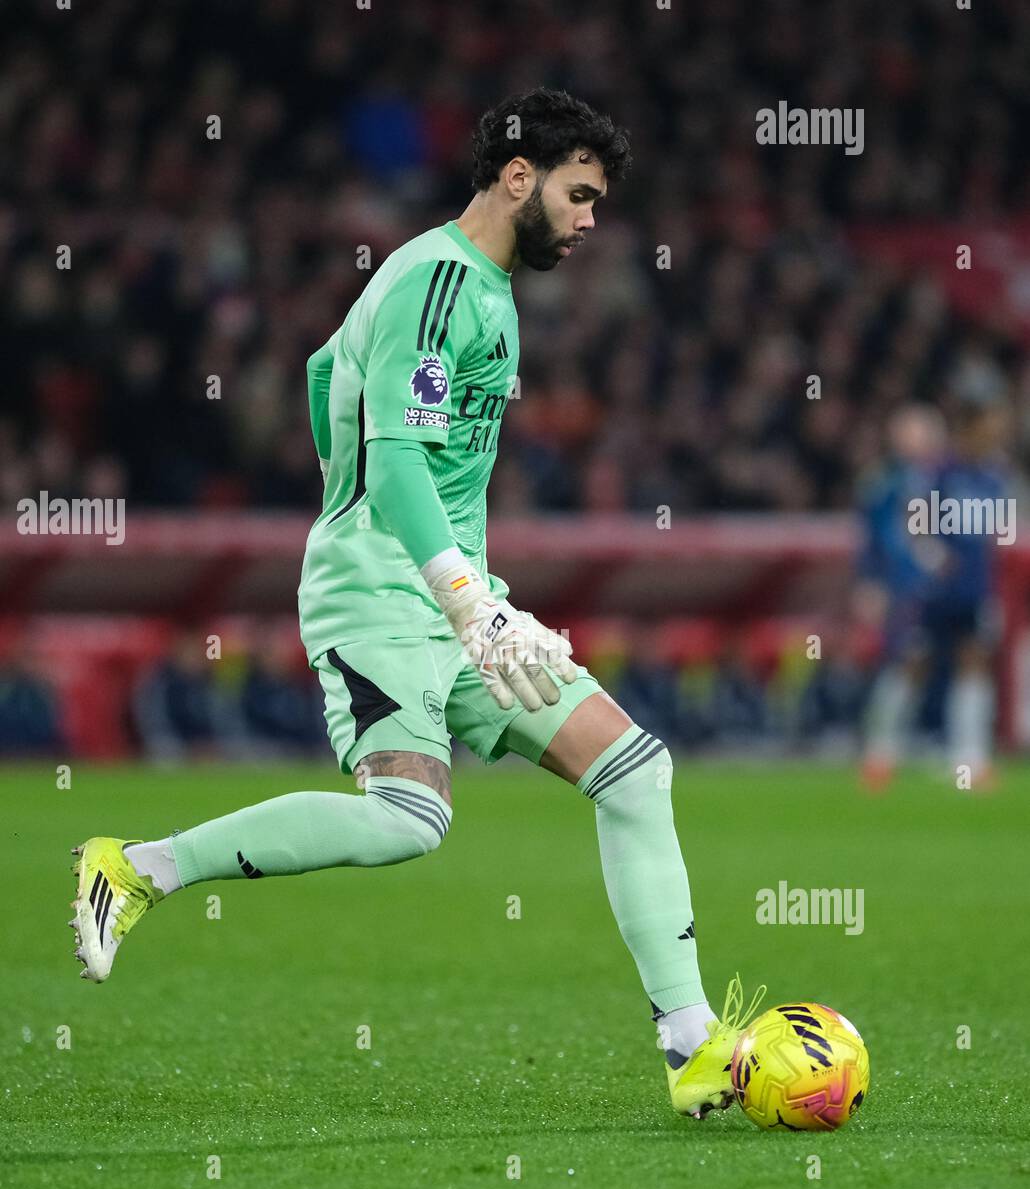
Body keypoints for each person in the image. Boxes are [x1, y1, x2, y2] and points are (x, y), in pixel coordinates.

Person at [67, 89, 764, 1119]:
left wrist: (455, 583)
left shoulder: (471, 286)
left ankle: (690, 1046)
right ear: (516, 175)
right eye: (579, 194)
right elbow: (395, 468)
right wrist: (449, 591)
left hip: (455, 595)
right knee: (408, 818)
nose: (588, 221)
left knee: (633, 772)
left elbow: (320, 372)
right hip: (387, 595)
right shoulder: (438, 283)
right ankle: (134, 868)